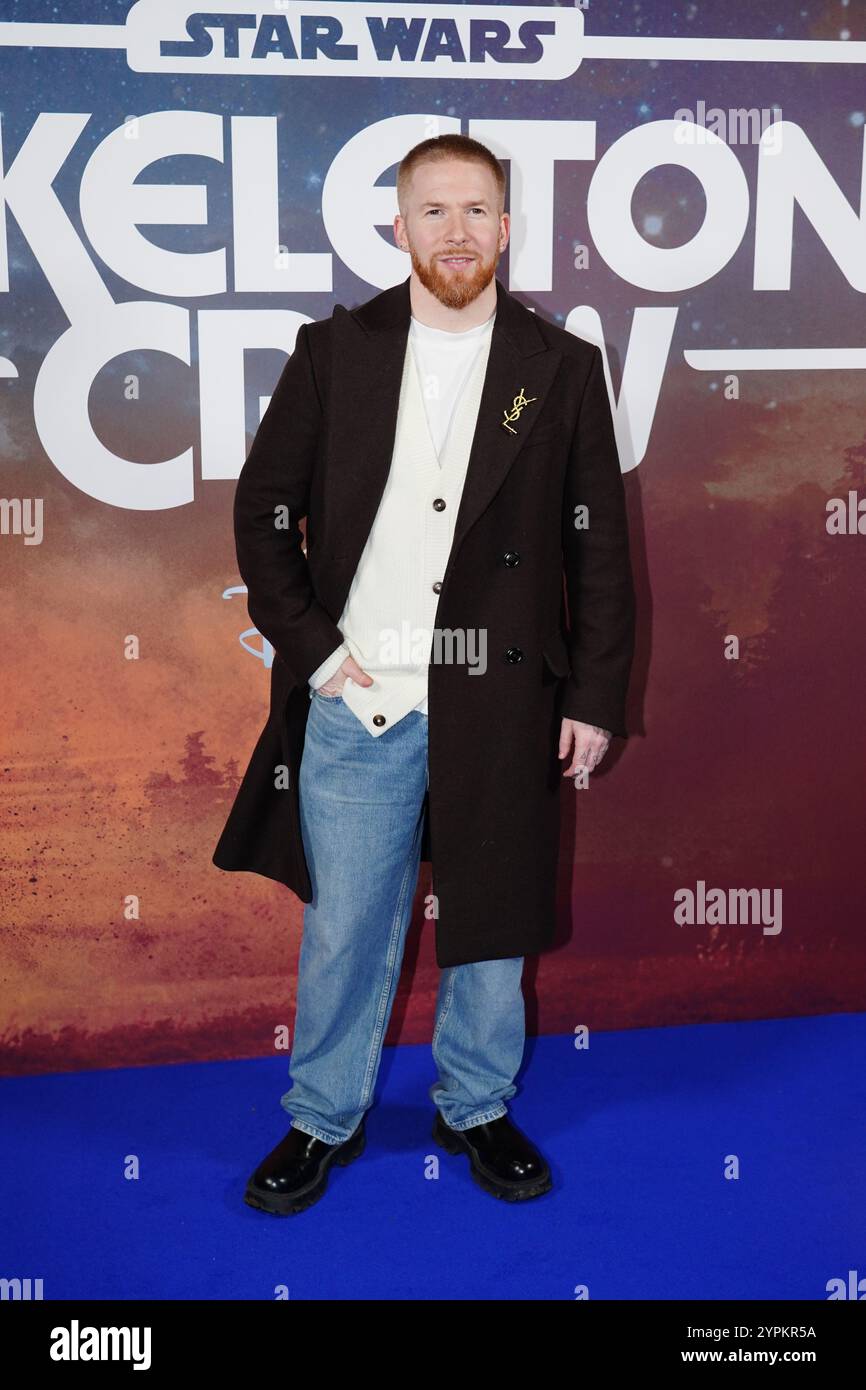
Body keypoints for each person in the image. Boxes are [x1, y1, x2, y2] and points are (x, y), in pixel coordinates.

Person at [215, 133, 636, 1215]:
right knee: (348, 923)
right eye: (434, 211)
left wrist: (591, 695)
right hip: (362, 696)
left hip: (502, 694)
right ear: (396, 229)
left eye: (478, 210)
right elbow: (262, 519)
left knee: (491, 921)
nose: (457, 231)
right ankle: (319, 1117)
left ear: (507, 226)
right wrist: (317, 654)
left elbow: (595, 548)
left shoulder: (561, 365)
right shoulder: (332, 352)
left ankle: (477, 1103)